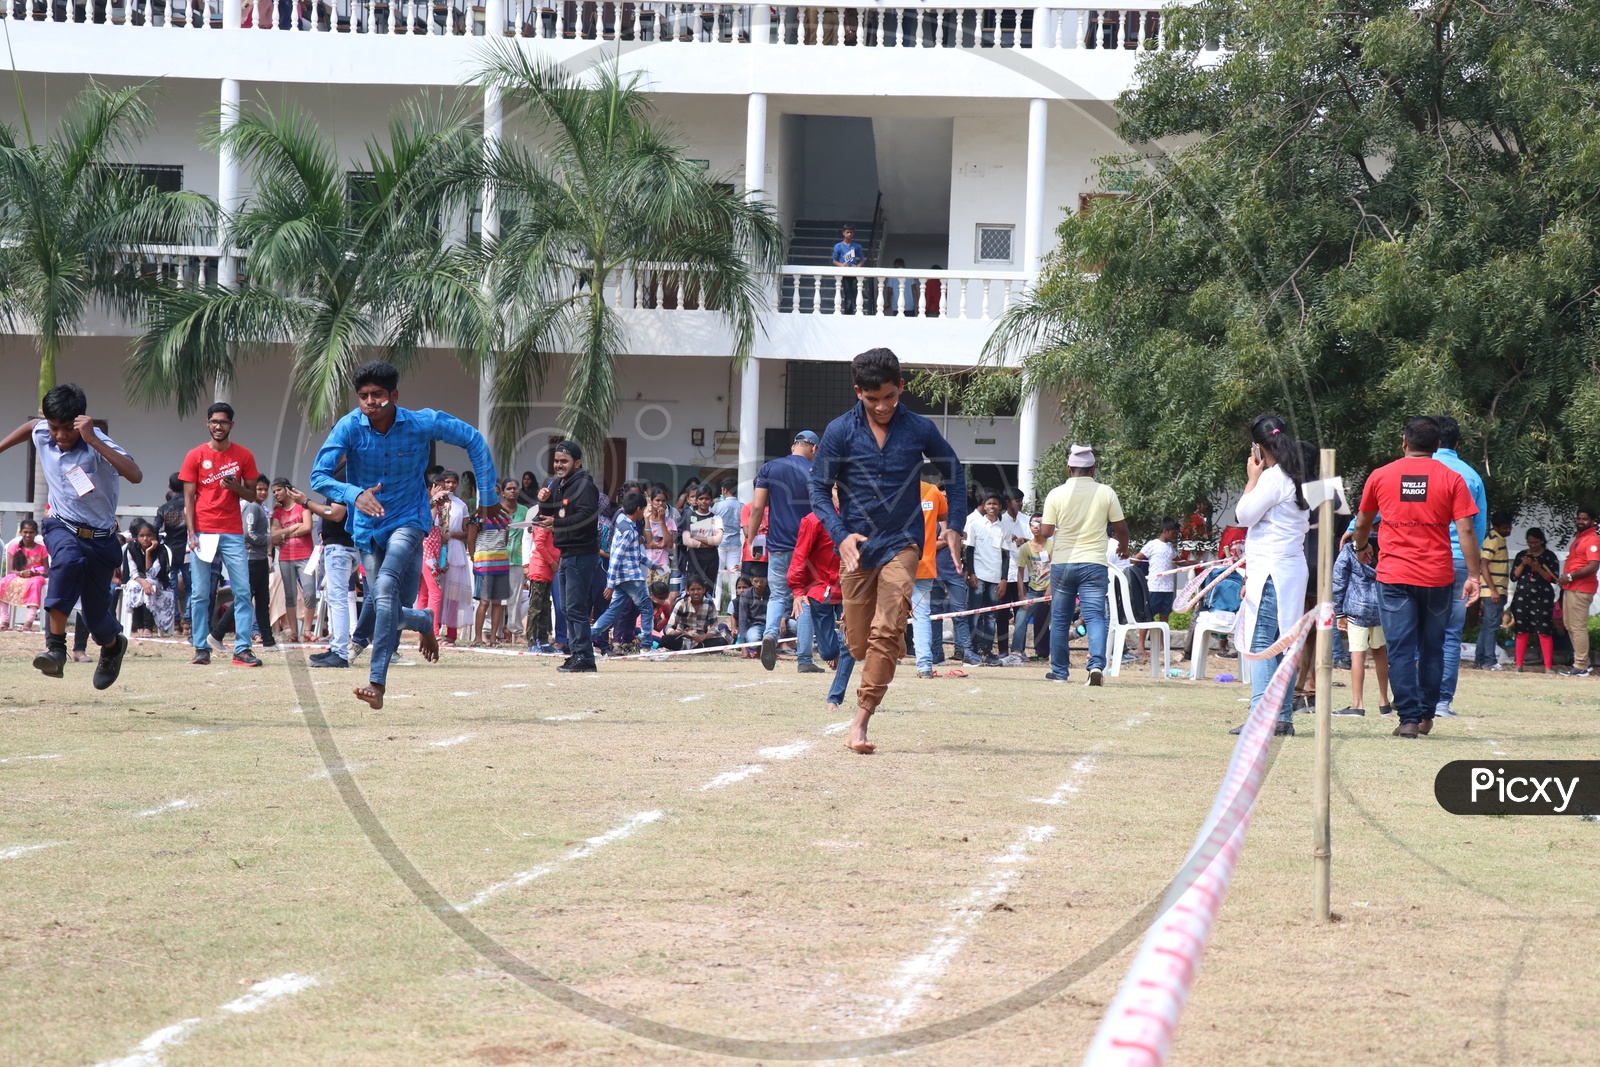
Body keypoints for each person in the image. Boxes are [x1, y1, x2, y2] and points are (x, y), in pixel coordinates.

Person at [311, 359, 497, 709]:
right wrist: (354, 494)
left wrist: (487, 496)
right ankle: (424, 619)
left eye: (377, 395)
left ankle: (377, 683)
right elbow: (318, 476)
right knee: (387, 604)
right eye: (363, 396)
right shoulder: (348, 427)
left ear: (393, 395)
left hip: (409, 520)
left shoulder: (422, 422)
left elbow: (473, 439)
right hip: (366, 528)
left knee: (383, 589)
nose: (370, 402)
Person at [809, 348, 967, 754]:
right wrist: (841, 535)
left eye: (890, 397)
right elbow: (818, 490)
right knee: (862, 644)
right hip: (857, 547)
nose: (882, 407)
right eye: (872, 398)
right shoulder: (839, 431)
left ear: (901, 387)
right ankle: (889, 644)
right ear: (858, 391)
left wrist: (956, 525)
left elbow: (954, 470)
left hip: (904, 541)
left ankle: (860, 721)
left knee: (886, 627)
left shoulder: (919, 428)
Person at [1348, 416, 1484, 738]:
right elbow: (1465, 529)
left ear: (1404, 442)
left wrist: (1361, 546)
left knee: (1400, 648)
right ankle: (1425, 716)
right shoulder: (1451, 478)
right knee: (1433, 647)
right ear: (1437, 446)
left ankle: (1408, 719)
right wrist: (1475, 575)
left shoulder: (1381, 475)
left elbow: (1363, 521)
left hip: (1394, 576)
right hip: (1437, 576)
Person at [0, 384, 141, 688]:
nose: (60, 435)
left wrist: (92, 439)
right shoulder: (44, 432)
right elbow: (31, 427)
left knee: (96, 618)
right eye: (55, 427)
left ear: (80, 421)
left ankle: (113, 645)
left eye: (67, 428)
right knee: (67, 560)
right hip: (61, 525)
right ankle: (56, 649)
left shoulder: (96, 442)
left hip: (101, 539)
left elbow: (135, 474)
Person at [1225, 415, 1311, 737]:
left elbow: (1244, 515)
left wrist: (1252, 478)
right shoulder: (1299, 474)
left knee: (1262, 642)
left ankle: (1261, 717)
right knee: (1286, 643)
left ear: (1258, 448)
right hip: (1290, 567)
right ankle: (1283, 717)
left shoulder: (1273, 478)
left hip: (1272, 570)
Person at [180, 402, 262, 667]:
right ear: (207, 423)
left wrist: (236, 487)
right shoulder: (195, 455)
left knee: (241, 590)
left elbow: (254, 496)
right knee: (201, 593)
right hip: (202, 532)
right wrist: (191, 533)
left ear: (231, 425)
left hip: (232, 532)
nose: (218, 426)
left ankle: (242, 649)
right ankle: (201, 648)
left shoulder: (244, 455)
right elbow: (189, 499)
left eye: (223, 422)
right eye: (214, 422)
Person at [1041, 444, 1128, 686]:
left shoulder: (1055, 494)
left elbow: (1046, 530)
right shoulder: (1106, 492)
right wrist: (1124, 547)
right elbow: (1120, 527)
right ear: (1093, 469)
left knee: (1059, 619)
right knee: (1095, 617)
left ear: (1069, 468)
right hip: (1094, 563)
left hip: (1063, 564)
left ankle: (1059, 672)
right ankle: (1096, 666)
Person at [749, 430, 824, 674]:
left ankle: (770, 634)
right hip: (809, 547)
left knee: (778, 595)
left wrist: (752, 539)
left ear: (794, 446)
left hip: (778, 544)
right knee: (805, 600)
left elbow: (758, 506)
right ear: (813, 448)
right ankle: (804, 659)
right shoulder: (816, 471)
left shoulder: (770, 468)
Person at [1430, 416, 1490, 716]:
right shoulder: (1471, 476)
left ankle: (1416, 697)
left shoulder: (1419, 472)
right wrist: (1475, 571)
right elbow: (1476, 529)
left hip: (1424, 559)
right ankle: (1441, 701)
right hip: (1458, 561)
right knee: (1451, 633)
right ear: (1459, 443)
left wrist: (1353, 527)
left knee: (1419, 629)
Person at [535, 440, 602, 673]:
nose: (559, 465)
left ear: (577, 462)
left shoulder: (583, 485)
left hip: (581, 554)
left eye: (564, 461)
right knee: (565, 607)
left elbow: (587, 517)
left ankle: (585, 657)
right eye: (556, 461)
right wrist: (543, 502)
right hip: (566, 553)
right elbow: (547, 518)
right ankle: (576, 654)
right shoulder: (559, 485)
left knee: (575, 607)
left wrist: (558, 522)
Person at [296, 488, 357, 669]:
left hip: (340, 546)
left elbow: (335, 513)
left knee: (338, 598)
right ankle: (337, 648)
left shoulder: (342, 475)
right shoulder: (345, 474)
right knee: (335, 598)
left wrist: (306, 502)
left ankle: (339, 652)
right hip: (342, 546)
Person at [1331, 532, 1391, 716]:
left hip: (1357, 607)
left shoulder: (1351, 548)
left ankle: (1357, 704)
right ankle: (1384, 702)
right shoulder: (1387, 542)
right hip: (1381, 605)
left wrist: (1339, 612)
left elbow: (1339, 579)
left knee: (1357, 655)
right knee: (1381, 653)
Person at [789, 492, 844, 674]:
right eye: (837, 488)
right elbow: (800, 555)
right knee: (829, 651)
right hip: (821, 590)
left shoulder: (859, 518)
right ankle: (823, 651)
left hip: (852, 587)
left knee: (857, 640)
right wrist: (797, 589)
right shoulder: (814, 520)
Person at [591, 490, 652, 651]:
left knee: (613, 612)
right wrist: (610, 584)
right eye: (643, 510)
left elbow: (635, 554)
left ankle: (589, 635)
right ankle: (646, 645)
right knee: (647, 608)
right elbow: (616, 557)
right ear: (639, 509)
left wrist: (653, 565)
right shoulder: (628, 530)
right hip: (630, 577)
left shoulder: (624, 524)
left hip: (623, 578)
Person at [910, 463, 950, 678]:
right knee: (921, 616)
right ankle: (924, 666)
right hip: (924, 563)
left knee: (885, 613)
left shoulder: (892, 489)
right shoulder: (932, 491)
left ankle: (876, 661)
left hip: (894, 564)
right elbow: (944, 520)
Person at [964, 491, 1009, 666]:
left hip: (996, 578)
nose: (992, 507)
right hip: (978, 576)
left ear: (1000, 507)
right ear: (984, 505)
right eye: (989, 503)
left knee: (991, 617)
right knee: (974, 615)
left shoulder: (1004, 529)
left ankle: (987, 651)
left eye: (995, 504)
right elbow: (969, 551)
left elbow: (1006, 556)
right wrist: (972, 573)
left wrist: (1004, 579)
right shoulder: (975, 525)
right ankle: (974, 651)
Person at [471, 479, 518, 646]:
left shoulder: (505, 516)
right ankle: (478, 637)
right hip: (483, 564)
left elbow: (504, 539)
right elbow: (471, 540)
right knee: (484, 601)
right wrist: (474, 559)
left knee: (497, 602)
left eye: (496, 494)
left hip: (501, 563)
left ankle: (492, 638)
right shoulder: (478, 517)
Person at [270, 477, 315, 643]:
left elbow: (308, 527)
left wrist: (285, 532)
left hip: (305, 555)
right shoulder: (277, 512)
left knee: (310, 592)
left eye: (278, 490)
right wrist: (295, 527)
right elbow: (274, 534)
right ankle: (294, 633)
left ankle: (308, 631)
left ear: (288, 489)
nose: (275, 494)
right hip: (285, 557)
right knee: (290, 595)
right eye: (273, 491)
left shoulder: (302, 506)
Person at [1509, 528, 1560, 673]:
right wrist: (1524, 564)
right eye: (1530, 542)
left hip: (1542, 597)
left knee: (1544, 630)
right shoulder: (1521, 555)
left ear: (1542, 541)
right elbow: (1514, 577)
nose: (1532, 545)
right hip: (1523, 596)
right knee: (1521, 630)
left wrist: (1536, 567)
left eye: (1535, 542)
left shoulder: (1550, 556)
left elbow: (1553, 579)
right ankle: (1519, 665)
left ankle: (1548, 666)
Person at [1558, 506, 1600, 677]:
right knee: (1570, 625)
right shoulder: (1580, 538)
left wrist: (1569, 576)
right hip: (1571, 587)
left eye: (1584, 519)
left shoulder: (1592, 539)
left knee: (1577, 627)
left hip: (1580, 588)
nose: (1580, 521)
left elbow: (1592, 566)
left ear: (1592, 521)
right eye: (1578, 518)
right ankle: (1583, 664)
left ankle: (1580, 665)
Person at [1134, 518, 1180, 656]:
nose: (1174, 536)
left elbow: (1180, 562)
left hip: (1167, 588)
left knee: (1164, 618)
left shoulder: (1171, 548)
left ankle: (1162, 647)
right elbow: (1137, 559)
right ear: (1165, 531)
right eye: (1173, 533)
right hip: (1154, 587)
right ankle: (1141, 646)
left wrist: (1198, 563)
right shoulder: (1152, 545)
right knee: (1148, 617)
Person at [120, 522, 175, 637]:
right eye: (141, 536)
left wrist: (149, 552)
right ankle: (139, 625)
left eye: (149, 535)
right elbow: (133, 572)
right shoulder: (131, 548)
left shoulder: (161, 550)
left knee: (150, 585)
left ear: (154, 536)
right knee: (136, 586)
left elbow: (152, 574)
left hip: (157, 581)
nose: (145, 539)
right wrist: (143, 582)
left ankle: (148, 626)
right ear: (137, 537)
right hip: (137, 579)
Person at [1475, 512, 1513, 671]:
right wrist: (1493, 590)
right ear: (1496, 527)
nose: (1508, 530)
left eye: (1509, 526)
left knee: (1487, 626)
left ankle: (1480, 660)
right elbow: (1483, 564)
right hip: (1493, 591)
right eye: (1505, 527)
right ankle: (1489, 661)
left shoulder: (1498, 539)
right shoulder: (1493, 540)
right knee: (1491, 626)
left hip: (1496, 589)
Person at [1011, 515, 1052, 660]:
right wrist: (1022, 595)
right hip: (1033, 590)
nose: (1036, 526)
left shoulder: (1051, 546)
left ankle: (1056, 653)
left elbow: (1056, 569)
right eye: (1033, 523)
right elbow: (1020, 572)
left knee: (1057, 620)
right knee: (1021, 617)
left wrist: (1049, 589)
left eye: (1039, 523)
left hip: (1052, 591)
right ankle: (1017, 651)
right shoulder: (1026, 548)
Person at [154, 473, 189, 633]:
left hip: (169, 551)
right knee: (192, 587)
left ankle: (175, 620)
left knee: (172, 587)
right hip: (189, 550)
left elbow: (154, 529)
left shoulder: (164, 508)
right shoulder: (191, 505)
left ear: (170, 487)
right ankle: (188, 620)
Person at [0, 518, 49, 631]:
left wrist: (37, 573)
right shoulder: (15, 547)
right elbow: (11, 571)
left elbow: (47, 572)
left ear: (36, 533)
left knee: (35, 583)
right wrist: (22, 573)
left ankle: (29, 621)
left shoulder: (42, 549)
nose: (28, 535)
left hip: (36, 577)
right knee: (3, 582)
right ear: (21, 532)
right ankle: (4, 619)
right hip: (18, 575)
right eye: (25, 532)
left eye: (31, 532)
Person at [522, 514, 559, 652]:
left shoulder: (553, 519)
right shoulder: (544, 522)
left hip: (548, 569)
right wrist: (552, 562)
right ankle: (531, 641)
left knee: (545, 606)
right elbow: (539, 544)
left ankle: (543, 641)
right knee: (535, 606)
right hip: (540, 568)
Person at [679, 484, 725, 594]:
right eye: (701, 498)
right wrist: (709, 541)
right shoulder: (689, 517)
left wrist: (696, 538)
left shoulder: (716, 518)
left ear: (711, 500)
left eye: (707, 498)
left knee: (708, 591)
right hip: (694, 559)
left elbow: (717, 540)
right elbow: (686, 541)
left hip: (711, 559)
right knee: (693, 590)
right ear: (697, 500)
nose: (704, 501)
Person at [661, 575, 727, 650]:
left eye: (699, 589)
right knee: (665, 640)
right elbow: (669, 627)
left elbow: (714, 628)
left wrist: (704, 636)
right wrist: (681, 633)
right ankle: (699, 649)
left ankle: (697, 647)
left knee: (723, 641)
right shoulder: (681, 604)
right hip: (683, 638)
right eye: (692, 589)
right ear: (687, 590)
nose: (696, 592)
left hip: (701, 639)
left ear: (704, 590)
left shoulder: (710, 605)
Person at [713, 478, 744, 610]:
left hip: (720, 542)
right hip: (735, 542)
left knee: (718, 574)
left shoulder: (718, 506)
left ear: (724, 490)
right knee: (734, 574)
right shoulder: (742, 506)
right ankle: (734, 604)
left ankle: (716, 605)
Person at [832, 226, 864, 314]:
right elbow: (834, 260)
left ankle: (852, 312)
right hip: (845, 274)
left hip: (854, 274)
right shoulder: (838, 246)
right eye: (848, 232)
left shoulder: (857, 246)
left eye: (851, 233)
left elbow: (862, 259)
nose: (849, 234)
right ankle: (847, 313)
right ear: (844, 233)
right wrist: (841, 265)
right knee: (847, 294)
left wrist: (857, 267)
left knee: (854, 293)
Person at [734, 572, 767, 651]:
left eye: (761, 582)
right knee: (753, 640)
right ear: (751, 581)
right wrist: (743, 647)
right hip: (754, 626)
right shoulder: (745, 596)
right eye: (756, 581)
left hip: (772, 625)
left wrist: (783, 619)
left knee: (792, 625)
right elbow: (743, 620)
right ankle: (763, 649)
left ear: (767, 581)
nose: (759, 584)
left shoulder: (773, 593)